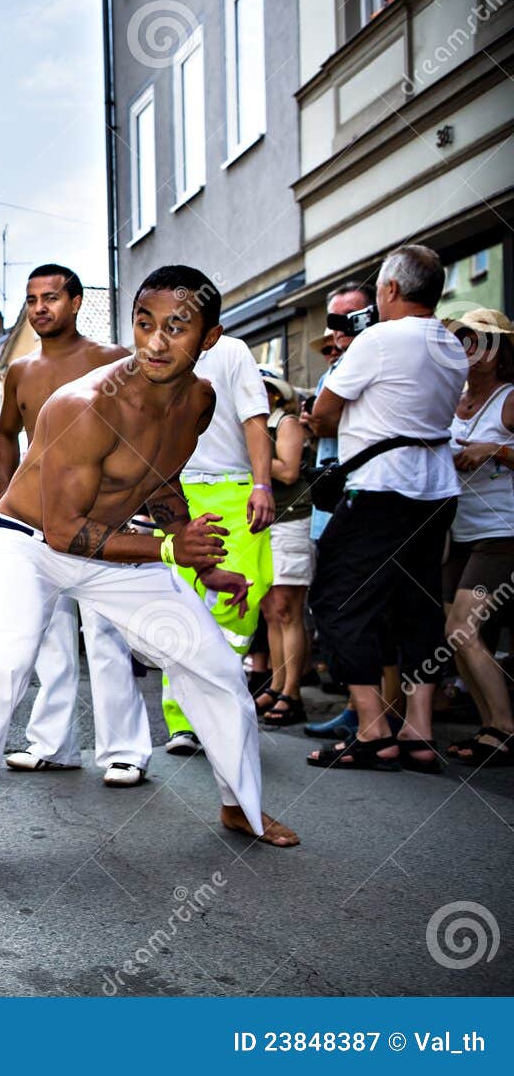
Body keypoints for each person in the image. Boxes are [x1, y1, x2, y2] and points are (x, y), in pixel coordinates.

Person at [0, 265, 300, 892]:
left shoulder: (199, 399)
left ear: (210, 338)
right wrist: (170, 547)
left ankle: (238, 803)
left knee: (211, 662)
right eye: (145, 324)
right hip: (30, 546)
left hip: (112, 548)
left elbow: (159, 480)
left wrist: (204, 561)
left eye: (177, 327)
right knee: (0, 670)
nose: (157, 343)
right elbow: (64, 533)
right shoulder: (85, 406)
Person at [308, 244, 466, 772]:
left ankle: (374, 731)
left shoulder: (377, 339)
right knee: (417, 604)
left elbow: (326, 414)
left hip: (379, 488)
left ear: (393, 290)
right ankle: (419, 731)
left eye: (379, 287)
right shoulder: (451, 344)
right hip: (436, 492)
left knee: (336, 598)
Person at [0, 263, 150, 786]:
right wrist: (3, 491)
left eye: (52, 297)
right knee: (50, 635)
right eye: (32, 299)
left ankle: (124, 750)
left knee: (105, 630)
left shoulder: (114, 361)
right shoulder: (21, 370)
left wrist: (131, 499)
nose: (40, 308)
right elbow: (6, 434)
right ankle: (52, 743)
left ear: (77, 301)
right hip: (36, 518)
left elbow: (140, 433)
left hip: (99, 516)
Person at [159, 325, 275, 756]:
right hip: (176, 491)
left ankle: (224, 710)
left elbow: (255, 421)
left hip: (235, 488)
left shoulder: (232, 351)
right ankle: (183, 722)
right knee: (180, 608)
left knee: (239, 604)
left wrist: (262, 486)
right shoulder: (154, 355)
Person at [440, 308, 514, 766]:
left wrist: (497, 450)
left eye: (483, 339)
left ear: (500, 350)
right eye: (465, 337)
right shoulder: (455, 399)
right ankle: (490, 727)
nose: (471, 347)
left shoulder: (508, 398)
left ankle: (505, 727)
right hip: (461, 533)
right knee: (456, 634)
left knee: (462, 628)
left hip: (503, 532)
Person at [302, 284, 369, 740]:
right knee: (338, 607)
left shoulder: (370, 359)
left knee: (360, 608)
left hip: (364, 497)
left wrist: (319, 418)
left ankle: (370, 715)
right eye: (333, 319)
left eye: (349, 318)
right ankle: (360, 707)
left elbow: (330, 419)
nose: (338, 330)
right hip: (331, 501)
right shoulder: (338, 368)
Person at [257, 369, 315, 727]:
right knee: (271, 610)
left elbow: (289, 472)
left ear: (275, 395)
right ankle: (277, 684)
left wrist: (252, 453)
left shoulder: (286, 422)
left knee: (288, 608)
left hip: (291, 519)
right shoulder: (256, 425)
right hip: (264, 523)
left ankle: (292, 692)